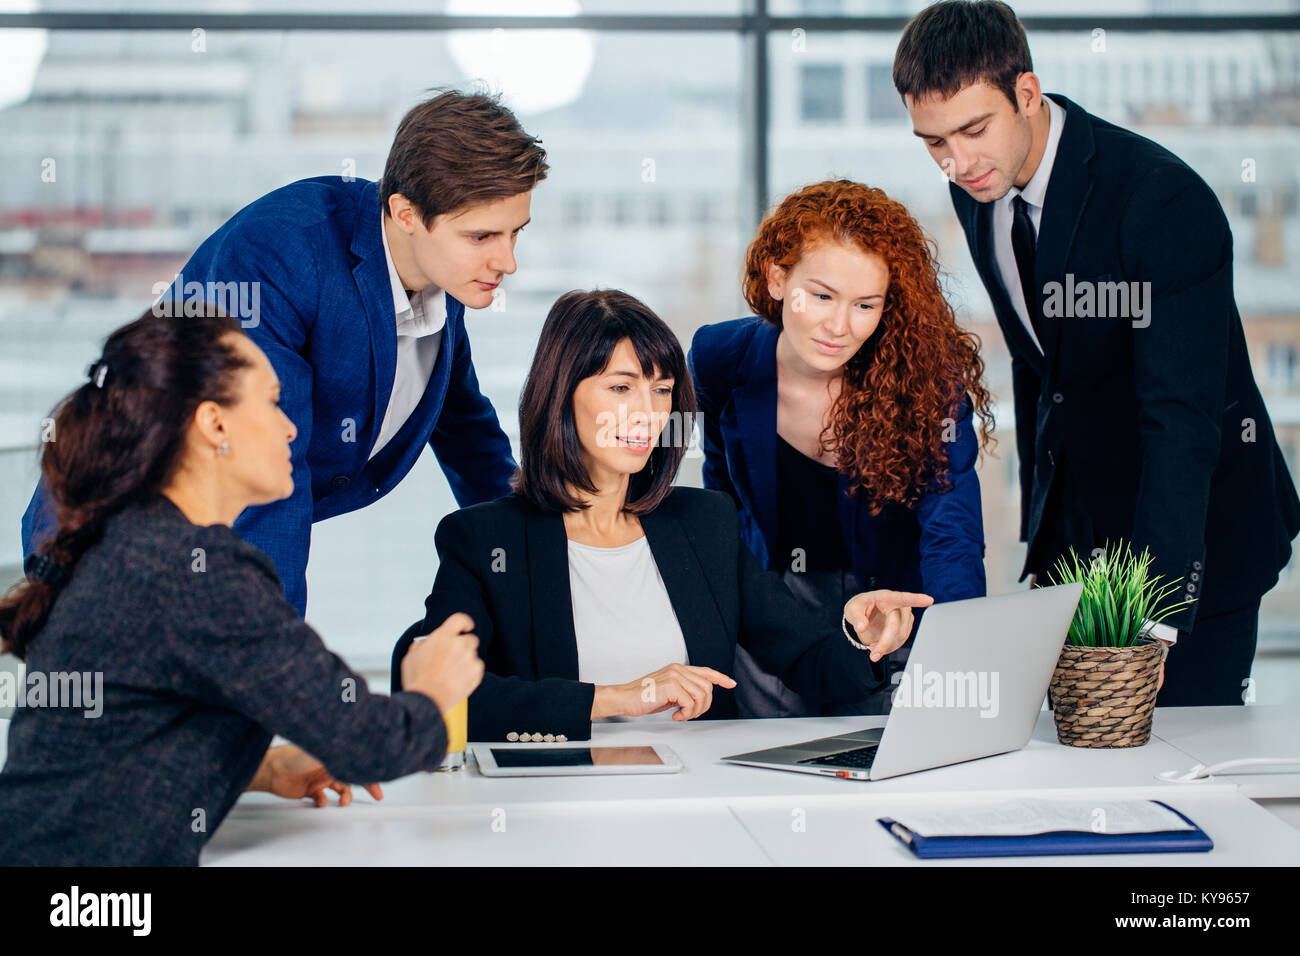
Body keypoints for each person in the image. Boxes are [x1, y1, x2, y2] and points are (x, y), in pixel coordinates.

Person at [893, 0, 1300, 705]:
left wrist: (1154, 616)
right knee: (1076, 759)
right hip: (1082, 535)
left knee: (1174, 756)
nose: (956, 161)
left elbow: (1183, 422)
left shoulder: (1161, 202)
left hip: (1193, 533)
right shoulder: (977, 189)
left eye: (972, 130)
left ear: (1026, 93)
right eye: (933, 142)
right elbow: (1041, 362)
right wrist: (1043, 536)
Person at [20, 89, 548, 616]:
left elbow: (469, 435)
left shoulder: (443, 272)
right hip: (116, 541)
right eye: (482, 237)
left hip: (210, 545)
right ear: (406, 214)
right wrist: (279, 662)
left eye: (514, 233)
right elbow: (262, 472)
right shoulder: (282, 253)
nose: (507, 261)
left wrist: (535, 563)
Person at [0, 307, 484, 866]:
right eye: (273, 401)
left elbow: (123, 741)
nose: (290, 426)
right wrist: (428, 692)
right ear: (215, 424)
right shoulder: (194, 569)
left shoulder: (139, 541)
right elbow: (370, 742)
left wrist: (260, 770)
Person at [390, 289, 933, 743]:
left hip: (702, 805)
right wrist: (621, 697)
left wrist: (860, 637)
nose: (648, 413)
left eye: (662, 391)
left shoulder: (703, 522)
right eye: (621, 387)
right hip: (559, 806)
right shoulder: (483, 538)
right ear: (562, 395)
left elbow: (809, 661)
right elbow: (444, 694)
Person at [690, 180, 993, 717]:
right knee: (765, 775)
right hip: (776, 610)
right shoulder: (719, 357)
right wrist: (744, 608)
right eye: (822, 295)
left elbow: (953, 532)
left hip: (892, 609)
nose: (838, 326)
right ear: (778, 278)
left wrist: (959, 655)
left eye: (865, 305)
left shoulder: (924, 380)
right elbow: (723, 500)